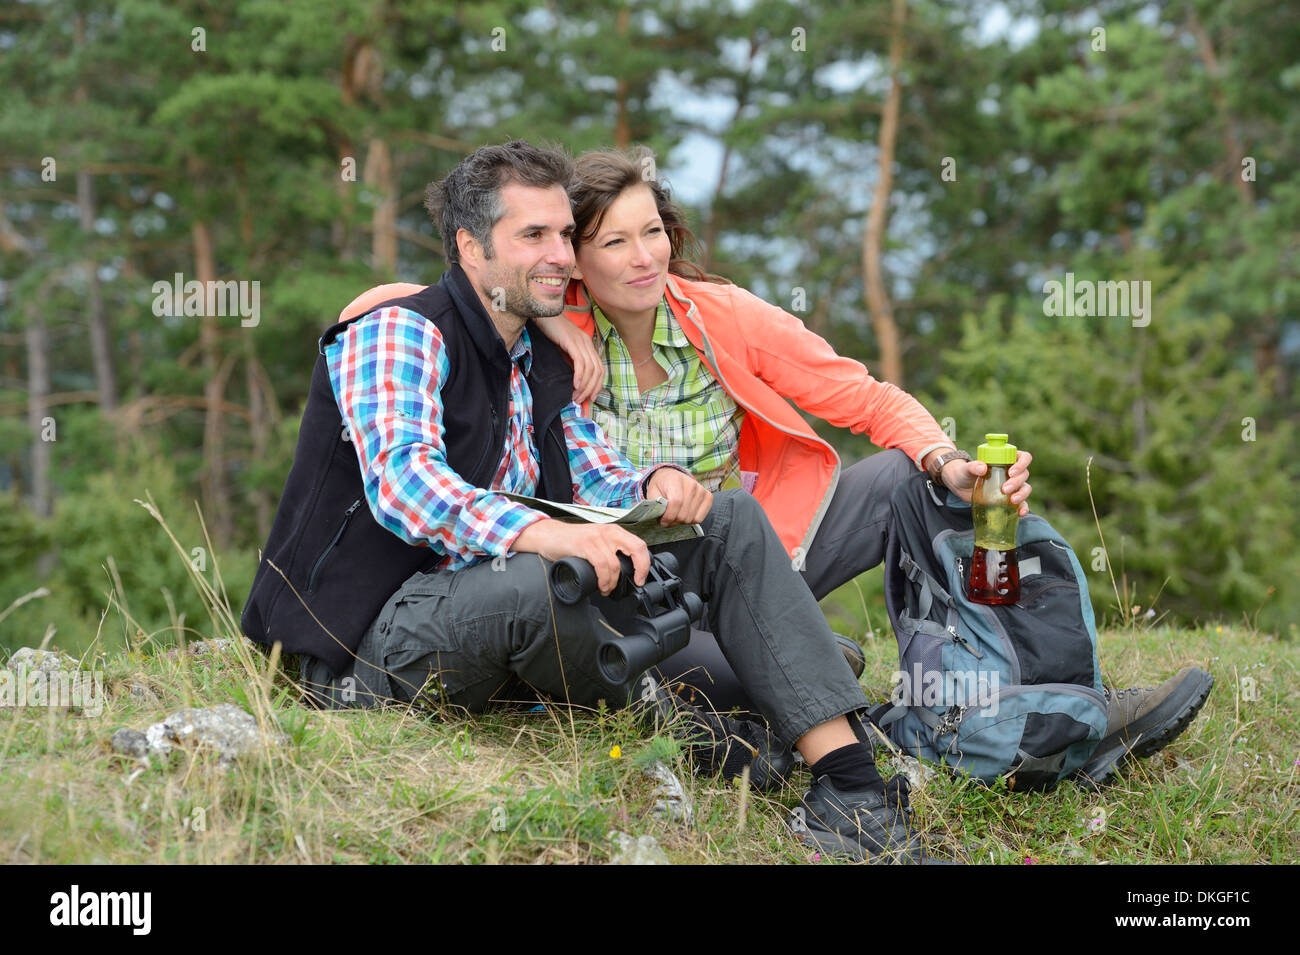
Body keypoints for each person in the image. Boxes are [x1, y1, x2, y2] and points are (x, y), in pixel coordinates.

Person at [244, 140, 945, 863]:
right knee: (542, 578)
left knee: (725, 516)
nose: (561, 255)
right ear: (470, 247)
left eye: (562, 234)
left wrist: (655, 485)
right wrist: (545, 533)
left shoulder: (540, 358)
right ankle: (725, 716)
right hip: (370, 643)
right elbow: (406, 485)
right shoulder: (402, 333)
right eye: (534, 236)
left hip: (508, 617)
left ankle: (852, 789)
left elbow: (595, 476)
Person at [540, 145, 1212, 789]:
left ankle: (1056, 697)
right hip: (639, 591)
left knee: (908, 480)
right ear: (573, 258)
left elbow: (863, 395)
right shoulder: (549, 335)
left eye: (651, 231)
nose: (643, 257)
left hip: (752, 558)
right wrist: (549, 321)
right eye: (614, 242)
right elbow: (449, 293)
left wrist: (947, 461)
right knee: (792, 679)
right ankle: (855, 699)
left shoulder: (720, 317)